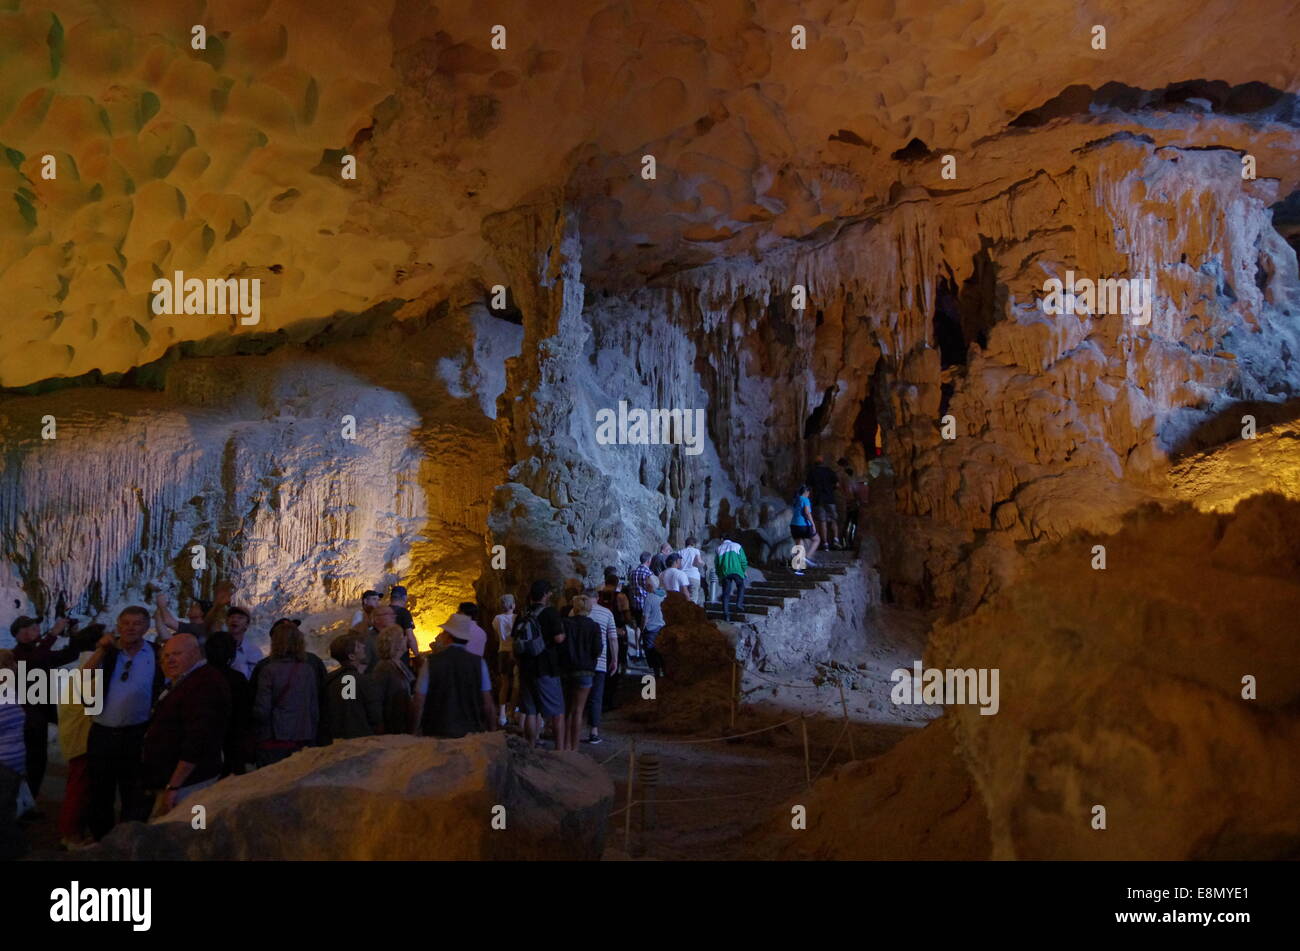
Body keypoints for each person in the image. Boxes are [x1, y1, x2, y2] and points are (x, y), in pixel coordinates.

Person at [83, 607, 165, 840]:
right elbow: (84, 674)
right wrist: (102, 648)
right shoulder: (108, 653)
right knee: (100, 791)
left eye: (137, 623)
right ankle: (101, 839)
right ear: (118, 626)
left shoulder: (155, 653)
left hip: (137, 733)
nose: (130, 628)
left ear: (146, 627)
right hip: (103, 732)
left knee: (134, 789)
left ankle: (128, 839)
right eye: (126, 623)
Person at [141, 634, 231, 817]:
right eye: (165, 656)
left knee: (185, 832)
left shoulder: (204, 684)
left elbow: (198, 739)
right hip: (179, 780)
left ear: (195, 654)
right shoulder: (186, 680)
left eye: (177, 654)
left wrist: (174, 785)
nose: (170, 660)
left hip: (190, 784)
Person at [10, 614, 80, 798]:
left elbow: (70, 655)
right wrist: (53, 633)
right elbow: (35, 661)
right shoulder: (16, 656)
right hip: (25, 717)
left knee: (38, 761)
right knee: (28, 761)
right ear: (21, 633)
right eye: (33, 628)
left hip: (38, 715)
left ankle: (29, 800)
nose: (38, 631)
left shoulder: (40, 652)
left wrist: (74, 634)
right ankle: (18, 802)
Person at [412, 614, 495, 738]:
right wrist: (492, 729)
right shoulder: (479, 663)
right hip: (470, 733)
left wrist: (413, 729)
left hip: (436, 731)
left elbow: (419, 700)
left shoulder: (431, 662)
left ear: (448, 636)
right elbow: (487, 702)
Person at [56, 630, 102, 848]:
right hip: (81, 739)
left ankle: (73, 832)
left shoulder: (78, 667)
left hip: (76, 736)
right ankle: (71, 835)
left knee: (78, 787)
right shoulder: (89, 671)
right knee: (78, 789)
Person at [252, 621, 320, 766]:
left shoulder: (268, 670)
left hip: (275, 736)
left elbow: (262, 710)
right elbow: (313, 707)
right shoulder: (308, 669)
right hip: (302, 736)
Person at [515, 580, 566, 750]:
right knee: (557, 710)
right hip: (545, 667)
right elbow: (558, 638)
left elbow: (515, 638)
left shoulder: (522, 614)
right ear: (545, 595)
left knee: (530, 711)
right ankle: (559, 750)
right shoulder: (550, 613)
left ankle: (530, 746)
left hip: (525, 667)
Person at [203, 631, 253, 776]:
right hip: (232, 742)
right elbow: (245, 714)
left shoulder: (197, 678)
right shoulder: (238, 679)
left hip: (205, 742)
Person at [321, 633, 381, 742]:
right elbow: (371, 715)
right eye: (358, 646)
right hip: (359, 740)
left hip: (335, 739)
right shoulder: (358, 680)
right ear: (351, 656)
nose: (363, 647)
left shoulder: (331, 679)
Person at [561, 595, 602, 752]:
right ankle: (574, 748)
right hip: (585, 670)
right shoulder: (594, 626)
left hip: (567, 670)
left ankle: (564, 746)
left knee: (566, 710)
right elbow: (597, 649)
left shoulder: (566, 624)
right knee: (578, 710)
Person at [585, 585, 619, 742]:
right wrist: (615, 659)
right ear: (597, 598)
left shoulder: (577, 612)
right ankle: (594, 731)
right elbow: (613, 638)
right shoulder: (607, 613)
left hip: (580, 661)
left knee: (577, 696)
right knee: (596, 697)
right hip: (600, 660)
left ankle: (572, 731)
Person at [370, 625, 414, 735]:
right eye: (403, 637)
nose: (406, 639)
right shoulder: (384, 667)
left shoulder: (398, 663)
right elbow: (377, 699)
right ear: (397, 643)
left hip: (401, 720)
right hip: (392, 724)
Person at [492, 595, 517, 728]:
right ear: (512, 605)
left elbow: (496, 637)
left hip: (502, 651)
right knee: (516, 684)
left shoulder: (497, 619)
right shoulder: (516, 618)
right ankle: (511, 712)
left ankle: (501, 715)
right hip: (515, 652)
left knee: (505, 683)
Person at [807, 455, 841, 550]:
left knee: (823, 522)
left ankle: (825, 544)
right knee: (833, 520)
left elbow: (808, 488)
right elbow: (837, 484)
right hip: (830, 499)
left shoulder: (812, 472)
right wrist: (831, 489)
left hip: (818, 500)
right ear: (823, 462)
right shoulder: (829, 471)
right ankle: (836, 540)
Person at [221, 607, 263, 679]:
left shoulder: (254, 652)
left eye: (240, 618)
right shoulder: (218, 647)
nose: (235, 620)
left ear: (247, 625)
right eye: (232, 617)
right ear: (227, 622)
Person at [716, 537, 749, 622]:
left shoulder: (719, 548)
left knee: (726, 594)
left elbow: (717, 565)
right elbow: (743, 560)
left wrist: (720, 576)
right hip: (737, 571)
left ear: (722, 539)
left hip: (725, 573)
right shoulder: (737, 546)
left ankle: (726, 615)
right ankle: (739, 604)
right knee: (741, 586)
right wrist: (744, 570)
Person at [641, 575, 667, 679]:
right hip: (663, 627)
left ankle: (656, 675)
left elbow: (645, 616)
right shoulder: (664, 595)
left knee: (652, 653)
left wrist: (642, 629)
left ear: (650, 586)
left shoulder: (649, 597)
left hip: (651, 629)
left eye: (646, 585)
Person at [789, 484, 821, 569]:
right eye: (809, 492)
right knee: (817, 539)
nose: (809, 494)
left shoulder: (796, 499)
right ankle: (807, 557)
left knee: (799, 543)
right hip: (803, 525)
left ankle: (797, 566)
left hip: (793, 525)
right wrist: (813, 524)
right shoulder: (805, 499)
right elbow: (807, 512)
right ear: (806, 491)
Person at [388, 586, 419, 666]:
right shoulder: (404, 613)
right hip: (400, 655)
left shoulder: (384, 611)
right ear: (405, 598)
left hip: (385, 654)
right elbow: (410, 637)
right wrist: (417, 656)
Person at [627, 552, 653, 633]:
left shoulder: (632, 573)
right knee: (645, 628)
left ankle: (637, 644)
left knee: (637, 627)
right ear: (648, 561)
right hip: (645, 604)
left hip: (634, 604)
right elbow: (652, 589)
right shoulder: (648, 573)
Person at [676, 537, 704, 603]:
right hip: (693, 576)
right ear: (694, 544)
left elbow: (677, 565)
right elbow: (699, 561)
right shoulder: (696, 551)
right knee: (693, 599)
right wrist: (703, 563)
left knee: (682, 599)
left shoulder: (680, 552)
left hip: (682, 577)